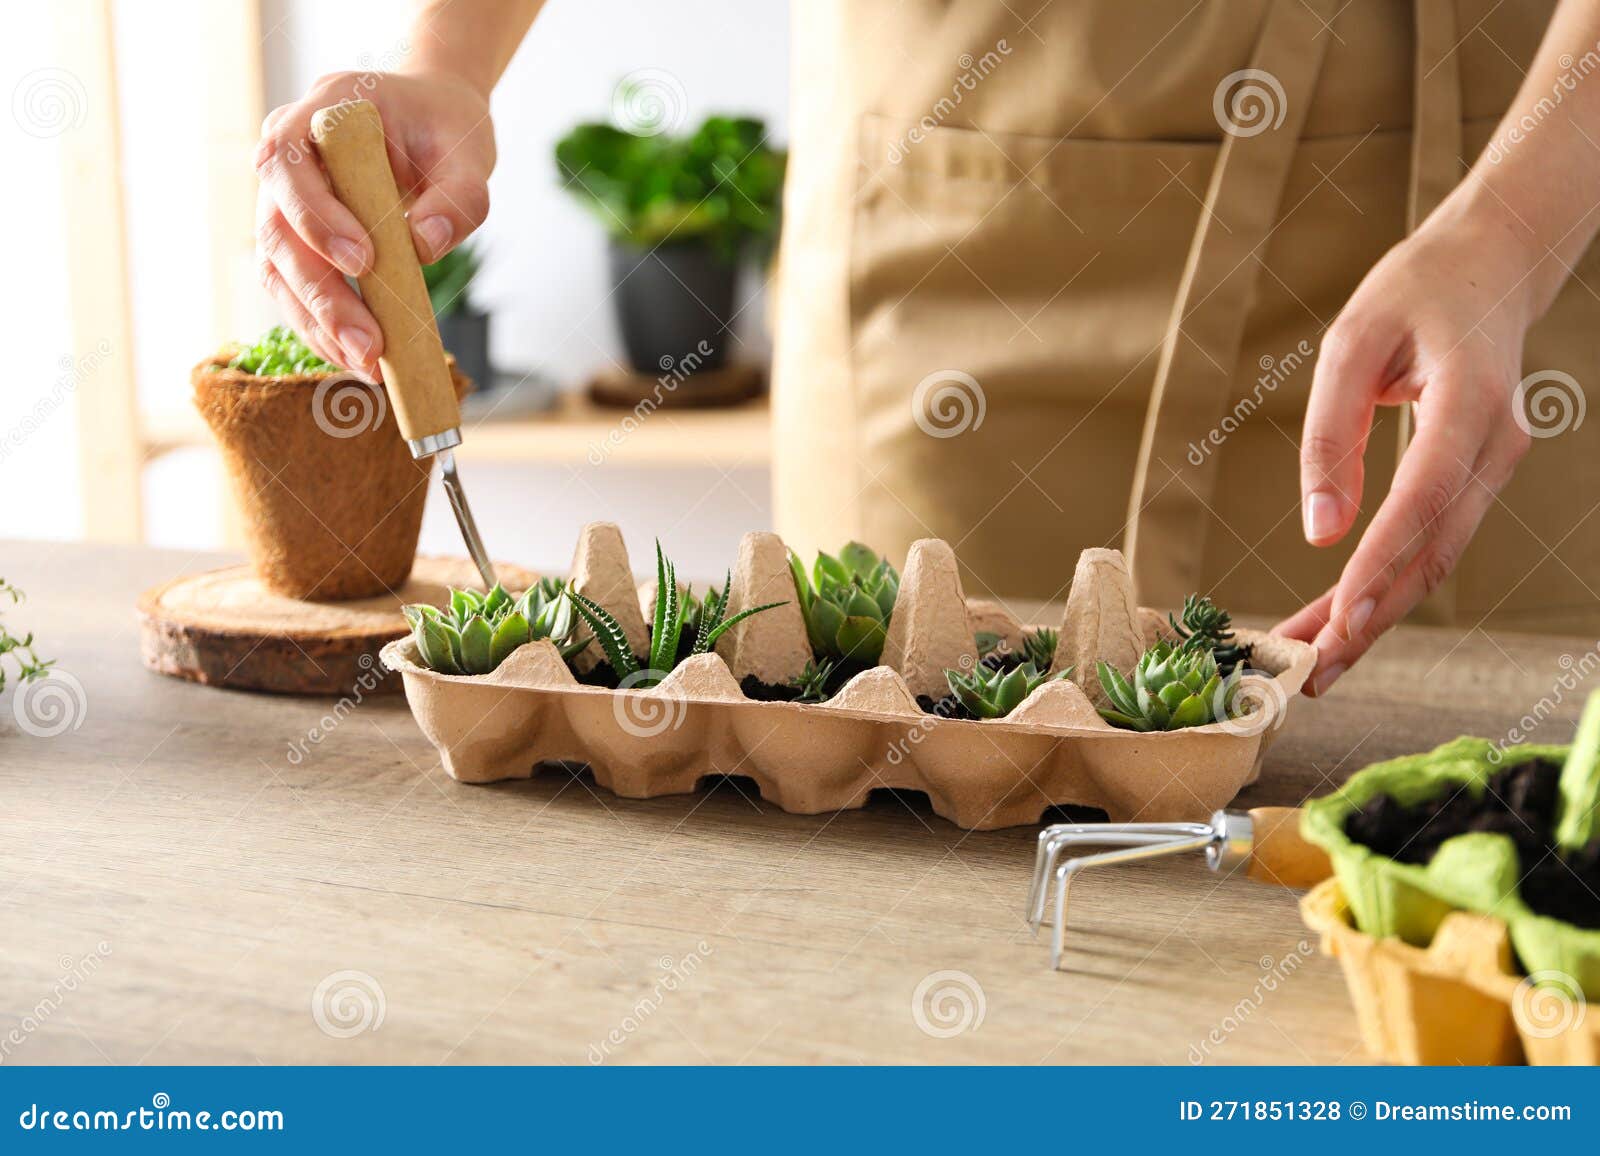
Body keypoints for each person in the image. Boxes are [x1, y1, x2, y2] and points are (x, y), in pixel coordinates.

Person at [255, 0, 1600, 696]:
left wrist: (1511, 234)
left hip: (1503, 220)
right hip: (963, 215)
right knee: (907, 809)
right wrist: (446, 54)